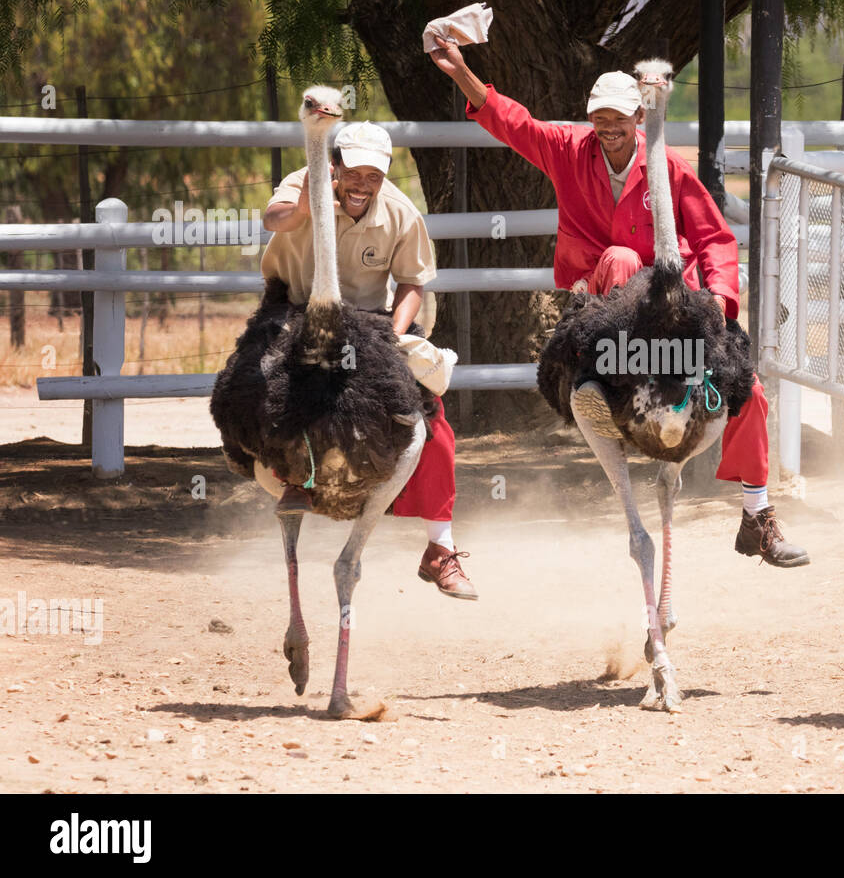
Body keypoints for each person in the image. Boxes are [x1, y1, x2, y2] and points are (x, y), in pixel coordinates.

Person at [428, 35, 810, 566]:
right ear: (591, 119)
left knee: (747, 387)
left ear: (640, 118)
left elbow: (714, 238)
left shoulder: (668, 167)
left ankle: (757, 514)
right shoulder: (569, 150)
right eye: (599, 119)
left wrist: (720, 304)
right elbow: (514, 123)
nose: (609, 129)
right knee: (622, 261)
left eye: (620, 120)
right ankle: (621, 376)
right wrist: (462, 74)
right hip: (604, 297)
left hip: (673, 299)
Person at [260, 121, 479, 598]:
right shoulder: (304, 184)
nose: (362, 184)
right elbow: (273, 219)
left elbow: (412, 282)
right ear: (333, 167)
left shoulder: (399, 212)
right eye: (353, 172)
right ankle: (290, 476)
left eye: (374, 176)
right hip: (294, 308)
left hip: (370, 320)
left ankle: (440, 548)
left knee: (428, 414)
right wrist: (307, 202)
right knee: (261, 388)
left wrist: (391, 336)